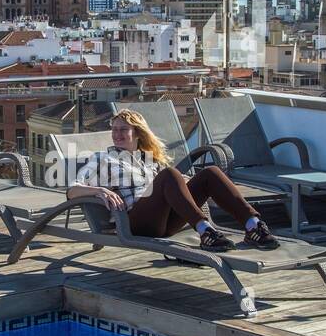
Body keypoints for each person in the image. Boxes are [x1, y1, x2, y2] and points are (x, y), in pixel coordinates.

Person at [66, 108, 280, 252]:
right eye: (114, 130)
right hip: (136, 223)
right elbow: (72, 190)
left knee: (210, 173)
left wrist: (193, 185)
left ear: (138, 133)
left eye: (123, 129)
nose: (117, 134)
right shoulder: (103, 158)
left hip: (166, 221)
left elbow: (174, 186)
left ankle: (254, 226)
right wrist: (99, 191)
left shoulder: (149, 159)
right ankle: (206, 231)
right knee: (169, 174)